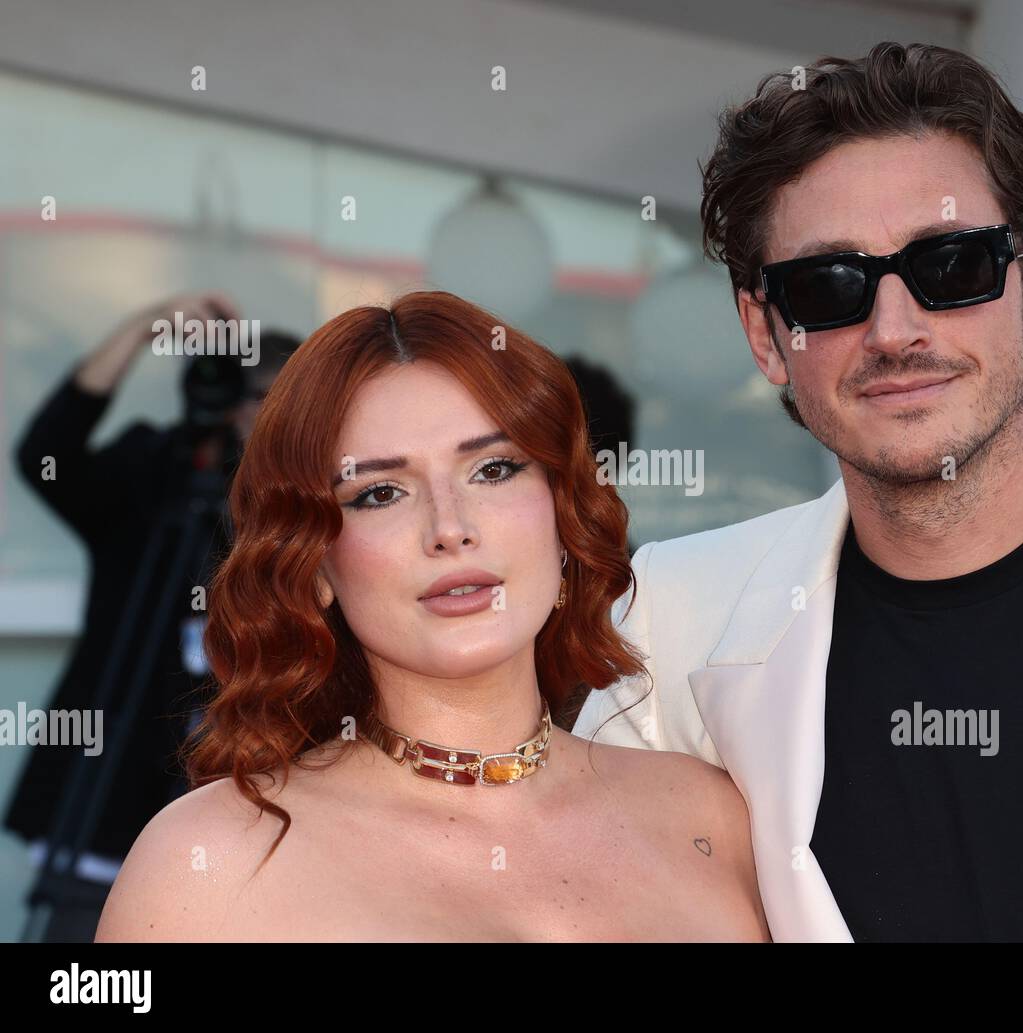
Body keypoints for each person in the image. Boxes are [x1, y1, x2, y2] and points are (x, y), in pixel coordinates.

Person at [574, 42, 1023, 942]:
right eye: (826, 285)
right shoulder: (672, 622)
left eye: (950, 265)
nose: (893, 329)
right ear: (766, 334)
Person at [94, 290, 768, 942]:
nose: (450, 528)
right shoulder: (209, 863)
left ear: (564, 515)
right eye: (380, 492)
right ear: (316, 564)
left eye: (495, 469)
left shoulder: (711, 814)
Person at [4, 292, 300, 942]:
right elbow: (46, 454)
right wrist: (143, 327)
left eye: (285, 401)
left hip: (238, 815)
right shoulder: (159, 469)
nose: (262, 415)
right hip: (106, 797)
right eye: (251, 395)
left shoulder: (311, 515)